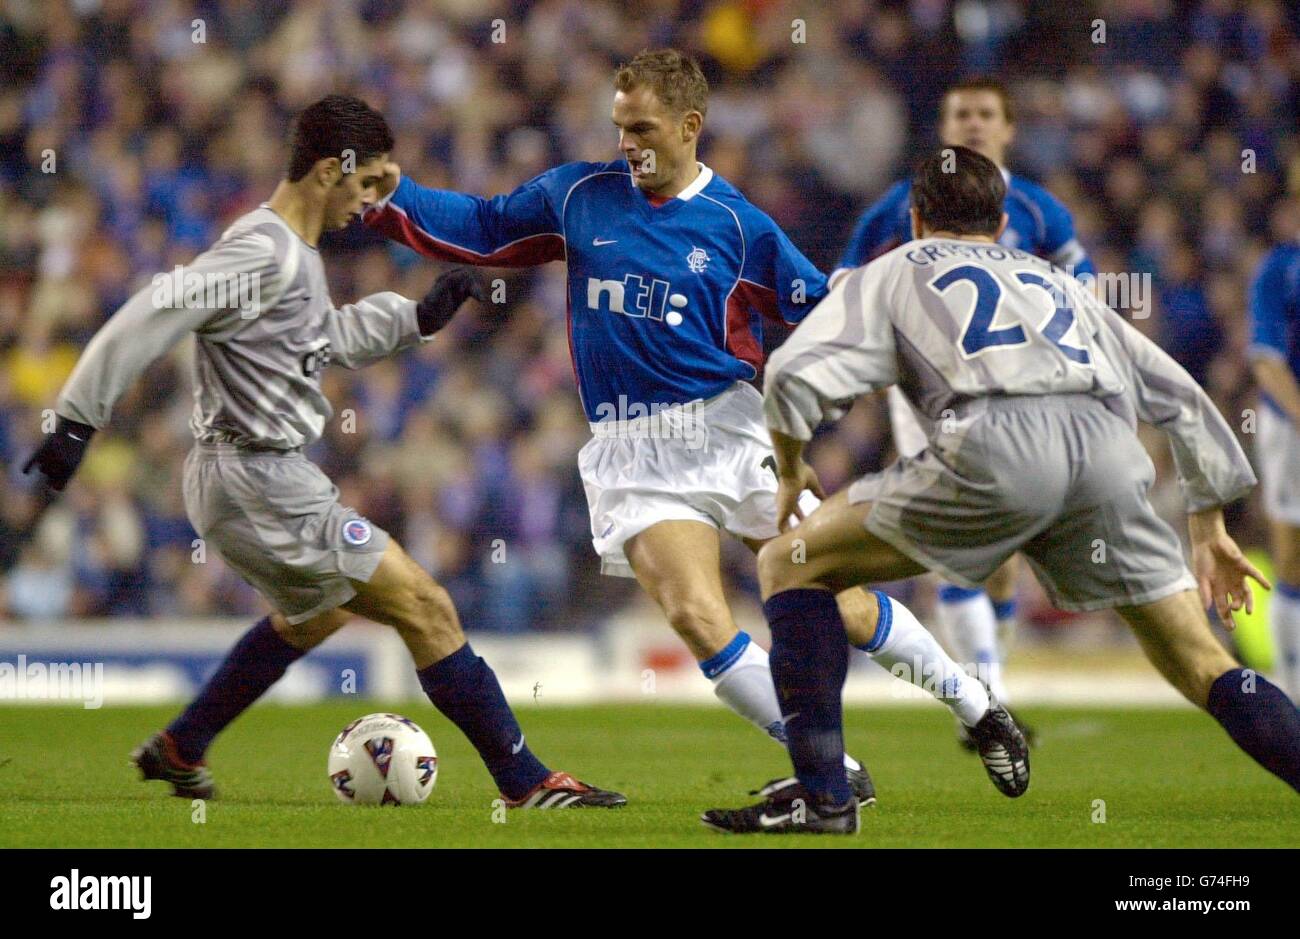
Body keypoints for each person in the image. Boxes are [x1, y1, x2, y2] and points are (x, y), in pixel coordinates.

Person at [367, 49, 1023, 801]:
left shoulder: (738, 227)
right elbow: (484, 228)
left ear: (689, 125)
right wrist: (398, 198)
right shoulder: (580, 194)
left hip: (733, 431)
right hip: (631, 447)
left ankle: (977, 706)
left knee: (834, 595)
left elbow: (823, 313)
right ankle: (830, 770)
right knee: (694, 611)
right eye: (619, 128)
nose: (626, 144)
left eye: (641, 128)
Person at [23, 94, 624, 810]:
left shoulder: (289, 253)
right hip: (258, 475)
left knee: (320, 613)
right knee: (426, 604)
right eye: (368, 182)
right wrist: (76, 422)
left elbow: (323, 340)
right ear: (331, 168)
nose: (372, 203)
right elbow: (153, 312)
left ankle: (183, 742)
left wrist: (414, 317)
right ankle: (528, 782)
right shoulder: (262, 247)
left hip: (255, 473)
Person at [702, 146, 1298, 835]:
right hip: (1106, 452)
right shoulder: (1057, 280)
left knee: (788, 562)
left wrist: (792, 461)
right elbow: (1181, 395)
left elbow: (790, 376)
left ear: (917, 217)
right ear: (1001, 218)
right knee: (1204, 663)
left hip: (995, 440)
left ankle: (825, 794)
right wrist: (1209, 525)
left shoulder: (893, 268)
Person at [839, 79, 1095, 738]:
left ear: (1008, 129)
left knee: (1000, 555)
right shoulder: (899, 206)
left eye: (986, 114)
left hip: (1019, 392)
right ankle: (989, 694)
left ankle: (986, 679)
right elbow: (843, 280)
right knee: (967, 541)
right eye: (961, 114)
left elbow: (1086, 289)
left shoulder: (1037, 209)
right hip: (926, 392)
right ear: (944, 126)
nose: (974, 124)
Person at [1248, 224, 1300, 701]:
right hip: (1292, 427)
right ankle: (1294, 690)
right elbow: (1266, 361)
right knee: (1292, 558)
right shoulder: (1281, 269)